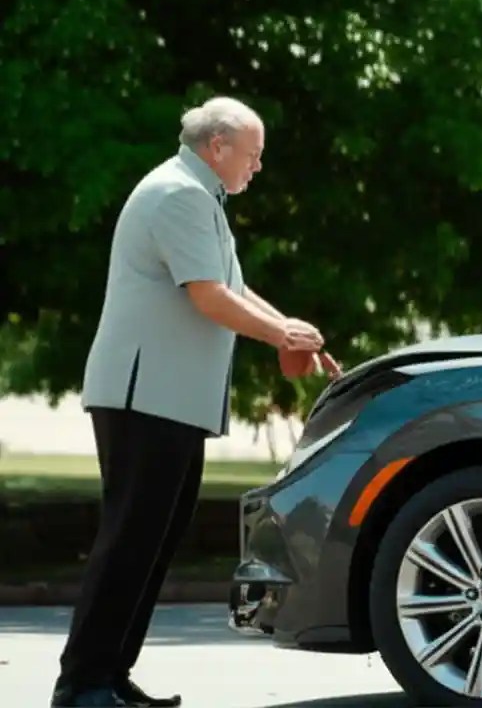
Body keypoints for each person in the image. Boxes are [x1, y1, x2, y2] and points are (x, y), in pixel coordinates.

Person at [51, 97, 341, 707]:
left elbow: (232, 288)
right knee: (130, 538)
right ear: (218, 147)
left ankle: (108, 677)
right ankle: (81, 686)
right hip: (144, 398)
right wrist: (279, 334)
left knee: (150, 542)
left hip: (169, 400)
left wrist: (284, 324)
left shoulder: (199, 196)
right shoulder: (179, 195)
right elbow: (209, 297)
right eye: (254, 155)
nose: (257, 167)